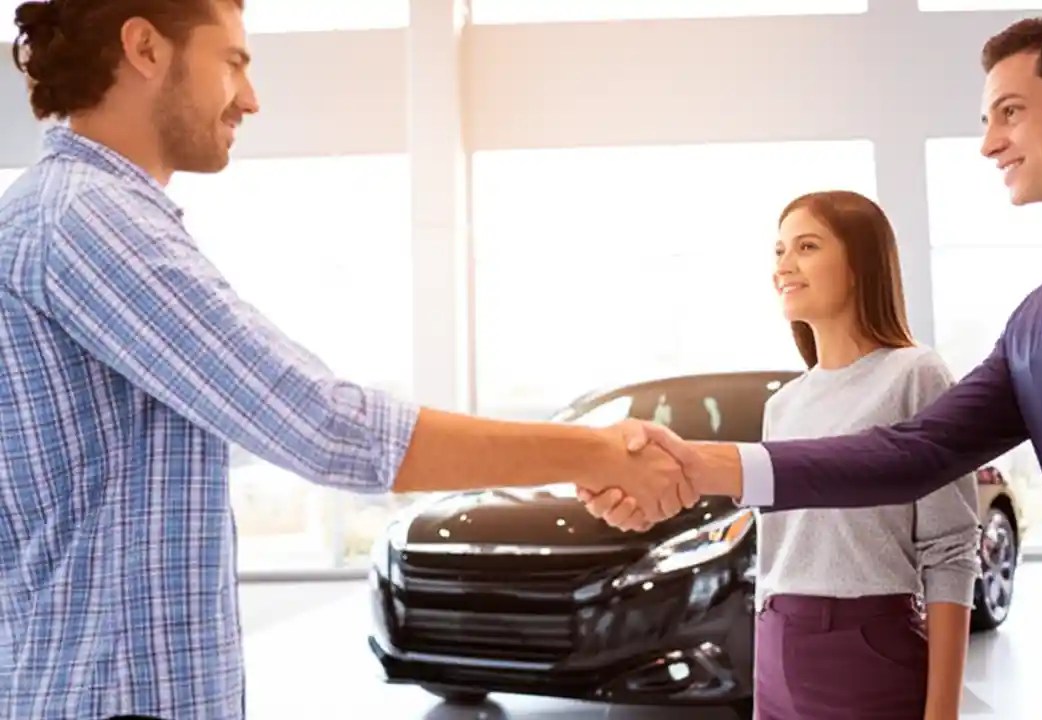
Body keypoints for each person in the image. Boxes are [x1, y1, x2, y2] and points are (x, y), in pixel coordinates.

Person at [0, 2, 692, 719]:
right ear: (144, 47)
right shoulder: (86, 220)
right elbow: (326, 427)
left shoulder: (74, 215)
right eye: (232, 61)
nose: (251, 97)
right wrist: (597, 453)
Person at [584, 13, 1042, 720]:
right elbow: (918, 451)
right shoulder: (1038, 317)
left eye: (1010, 112)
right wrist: (704, 467)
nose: (988, 144)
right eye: (985, 119)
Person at [754, 190, 979, 720]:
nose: (784, 265)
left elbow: (951, 550)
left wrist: (942, 712)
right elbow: (776, 557)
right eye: (779, 250)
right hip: (774, 644)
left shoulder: (916, 375)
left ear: (860, 263)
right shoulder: (782, 406)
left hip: (865, 651)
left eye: (806, 246)